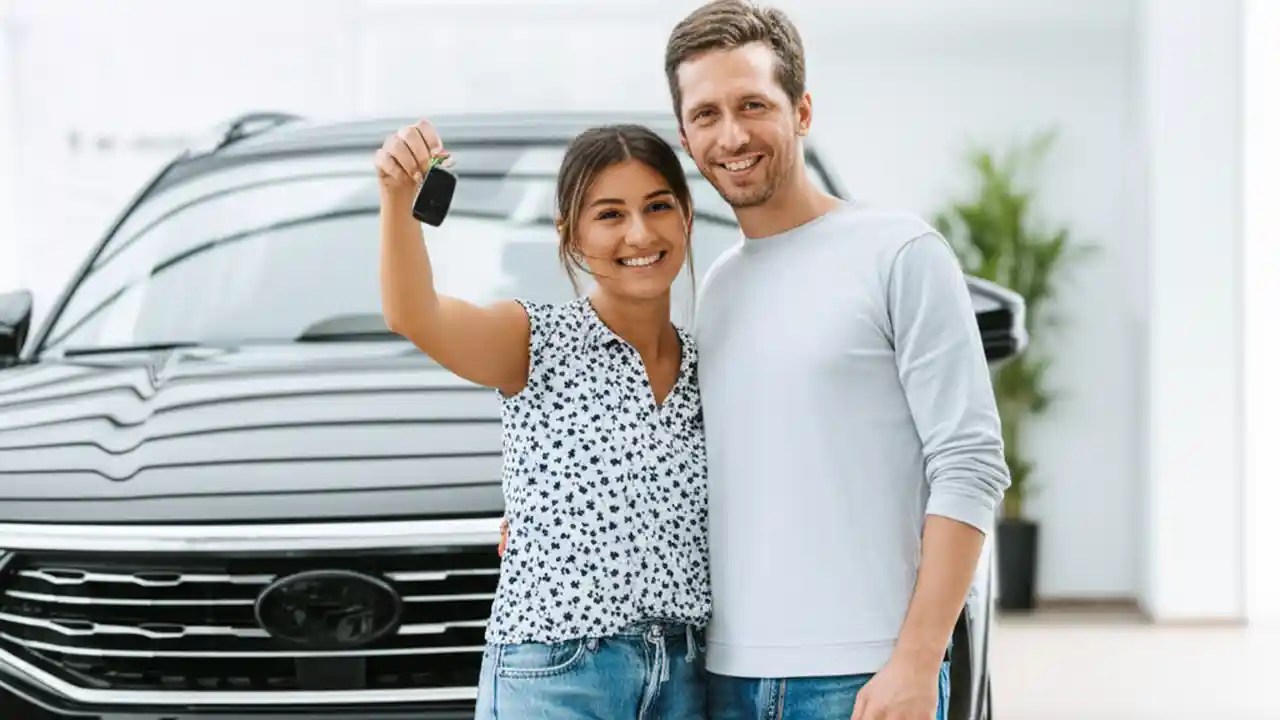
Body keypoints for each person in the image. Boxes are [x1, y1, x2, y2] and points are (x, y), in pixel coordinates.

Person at [663, 2, 1013, 719]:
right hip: (723, 678)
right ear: (685, 135)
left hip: (864, 677)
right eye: (706, 115)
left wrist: (916, 662)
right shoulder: (715, 287)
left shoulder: (899, 251)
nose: (731, 135)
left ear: (802, 110)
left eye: (752, 104)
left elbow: (971, 462)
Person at [375, 120, 711, 719]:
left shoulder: (711, 367)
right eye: (609, 215)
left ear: (686, 217)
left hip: (685, 678)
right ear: (571, 236)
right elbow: (413, 314)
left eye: (657, 206)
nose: (639, 232)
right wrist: (398, 197)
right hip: (559, 675)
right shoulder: (536, 341)